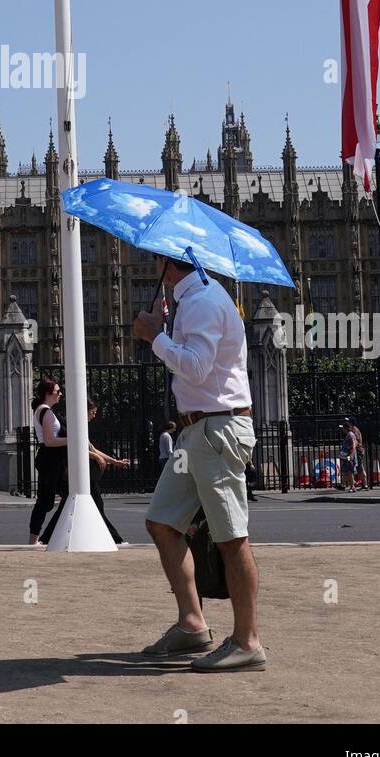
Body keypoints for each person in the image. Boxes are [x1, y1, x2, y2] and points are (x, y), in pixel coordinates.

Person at [134, 253, 265, 672]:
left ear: (164, 262)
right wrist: (167, 327)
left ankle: (248, 641)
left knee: (230, 538)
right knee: (161, 522)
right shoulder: (190, 302)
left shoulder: (205, 300)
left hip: (217, 431)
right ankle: (192, 623)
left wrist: (155, 337)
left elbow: (196, 366)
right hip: (195, 434)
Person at [40, 400, 128, 545]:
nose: (94, 416)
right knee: (97, 505)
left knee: (65, 508)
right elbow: (79, 448)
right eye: (92, 412)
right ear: (84, 411)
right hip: (79, 473)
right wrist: (96, 457)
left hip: (83, 473)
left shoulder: (80, 427)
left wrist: (115, 462)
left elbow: (91, 448)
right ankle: (116, 539)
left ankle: (46, 538)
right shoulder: (74, 426)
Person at [28, 378, 68, 545]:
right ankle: (35, 539)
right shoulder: (46, 412)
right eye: (58, 392)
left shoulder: (43, 410)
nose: (60, 394)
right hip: (51, 460)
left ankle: (43, 536)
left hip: (53, 460)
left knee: (60, 496)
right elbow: (49, 441)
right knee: (45, 500)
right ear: (48, 394)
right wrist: (71, 439)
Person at [340, 420, 358, 493]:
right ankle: (352, 485)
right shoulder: (350, 434)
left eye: (343, 428)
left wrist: (351, 455)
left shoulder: (350, 434)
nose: (342, 430)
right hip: (347, 455)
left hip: (349, 455)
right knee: (347, 471)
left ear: (346, 428)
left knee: (349, 471)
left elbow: (354, 445)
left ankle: (352, 486)